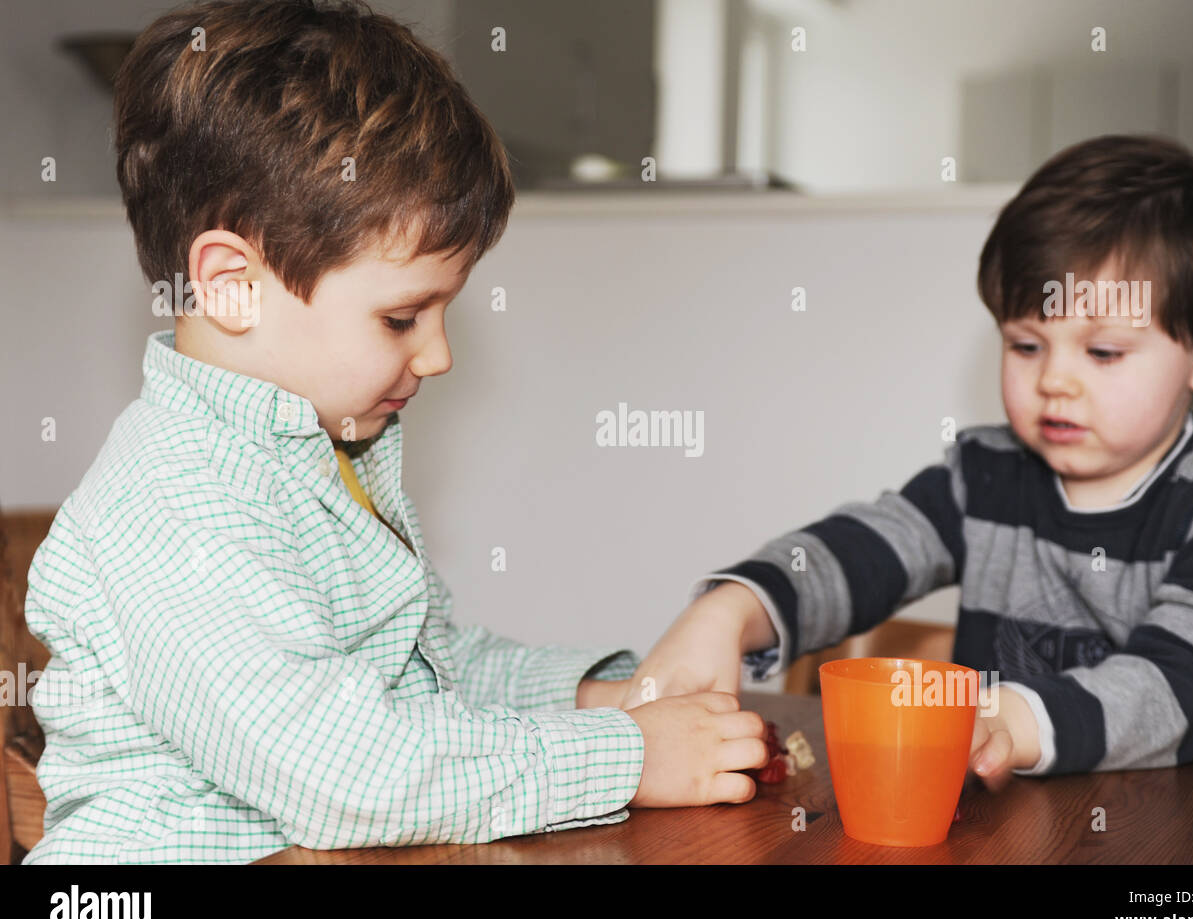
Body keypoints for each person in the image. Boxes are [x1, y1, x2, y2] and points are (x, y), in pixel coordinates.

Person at [22, 0, 766, 865]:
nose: (440, 354)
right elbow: (347, 776)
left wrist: (602, 697)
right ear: (231, 285)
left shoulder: (329, 453)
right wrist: (629, 757)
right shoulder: (173, 507)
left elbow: (430, 668)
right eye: (403, 316)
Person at [624, 134, 1193, 789]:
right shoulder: (984, 475)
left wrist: (1011, 716)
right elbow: (861, 549)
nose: (1054, 381)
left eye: (1103, 353)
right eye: (1026, 345)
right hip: (1010, 827)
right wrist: (733, 609)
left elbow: (1189, 684)